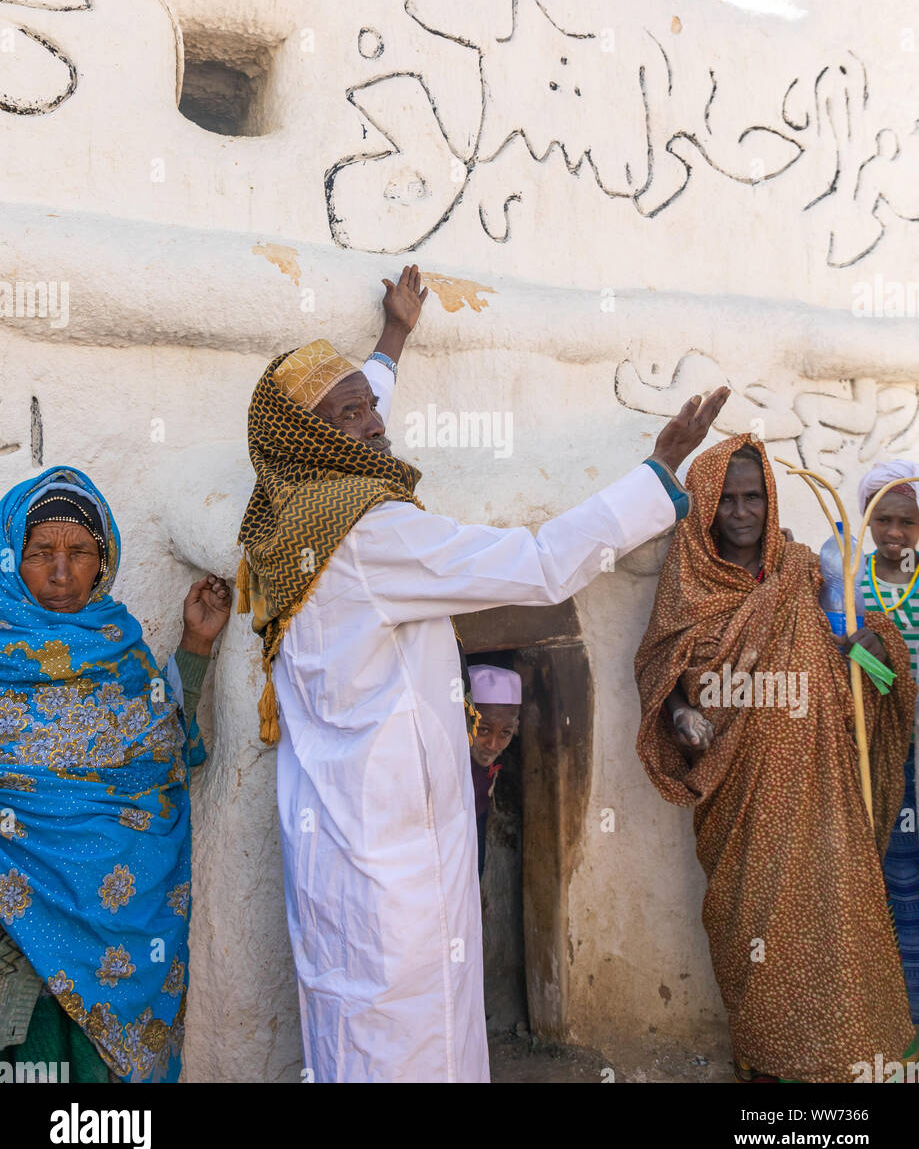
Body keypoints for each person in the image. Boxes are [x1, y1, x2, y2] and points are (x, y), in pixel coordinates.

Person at [236, 263, 729, 1083]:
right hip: (393, 843)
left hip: (331, 824)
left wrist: (391, 343)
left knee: (347, 1011)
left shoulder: (287, 509)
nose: (369, 425)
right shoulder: (373, 532)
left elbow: (356, 419)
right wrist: (654, 478)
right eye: (347, 414)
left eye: (367, 403)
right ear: (312, 437)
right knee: (406, 1032)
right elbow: (536, 568)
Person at [635, 436, 917, 1083]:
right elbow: (662, 665)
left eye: (753, 497)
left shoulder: (800, 568)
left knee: (830, 918)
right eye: (726, 500)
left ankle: (844, 1058)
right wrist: (681, 714)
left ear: (770, 499)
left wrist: (875, 649)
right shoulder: (685, 577)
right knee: (751, 925)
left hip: (819, 782)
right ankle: (767, 1064)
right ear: (705, 505)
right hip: (736, 790)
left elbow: (849, 655)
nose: (740, 512)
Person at [0, 468, 230, 1082]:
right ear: (10, 556)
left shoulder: (119, 647)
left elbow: (163, 752)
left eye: (80, 553)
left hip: (120, 922)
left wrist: (195, 647)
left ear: (103, 561)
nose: (61, 572)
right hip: (18, 911)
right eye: (41, 553)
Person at [858, 460, 919, 1024]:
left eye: (907, 521)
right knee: (898, 878)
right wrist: (870, 658)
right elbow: (855, 668)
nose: (895, 532)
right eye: (884, 519)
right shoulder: (853, 584)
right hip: (885, 749)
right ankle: (904, 1016)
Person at [468, 665, 521, 879]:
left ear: (516, 727)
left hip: (477, 820)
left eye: (505, 733)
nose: (492, 744)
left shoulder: (496, 758)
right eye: (483, 729)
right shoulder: (444, 759)